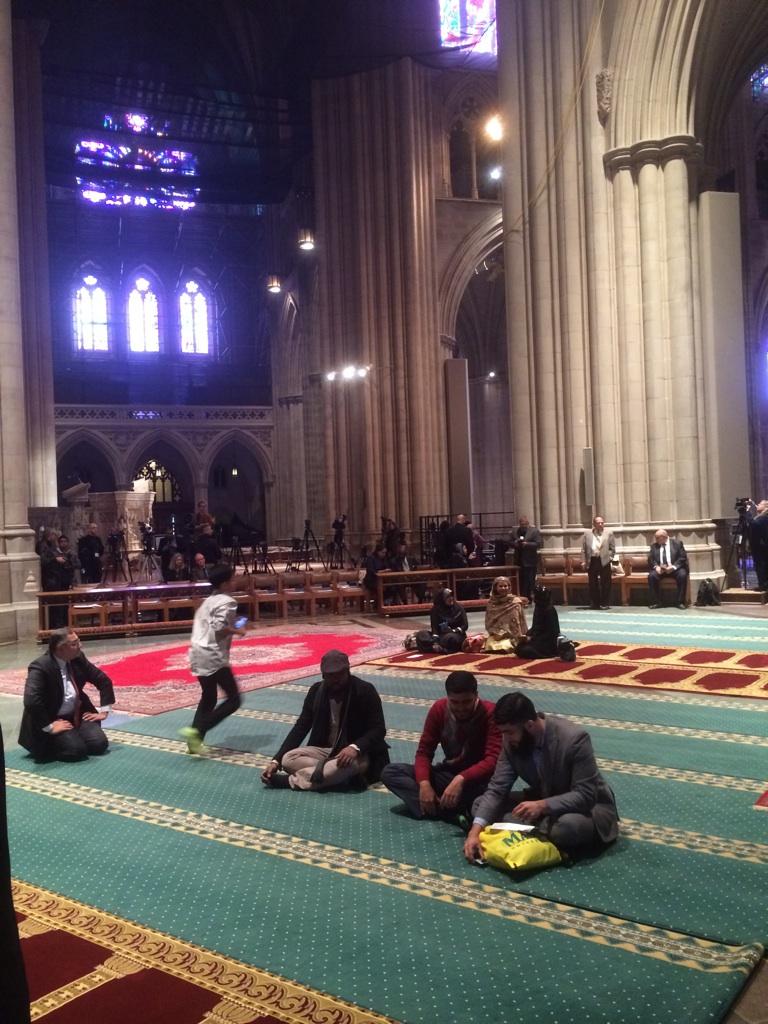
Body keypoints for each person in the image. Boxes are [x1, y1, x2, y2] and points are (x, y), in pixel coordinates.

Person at [463, 691, 619, 861]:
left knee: (566, 827)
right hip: (541, 800)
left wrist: (543, 805)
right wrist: (474, 832)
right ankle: (539, 833)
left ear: (529, 725)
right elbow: (497, 790)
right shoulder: (511, 741)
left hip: (586, 808)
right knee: (479, 805)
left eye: (509, 732)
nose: (505, 738)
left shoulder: (574, 739)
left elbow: (585, 795)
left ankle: (527, 829)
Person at [261, 649, 388, 791]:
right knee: (288, 759)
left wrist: (355, 748)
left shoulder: (364, 690)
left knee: (342, 766)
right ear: (323, 675)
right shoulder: (316, 691)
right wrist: (275, 761)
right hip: (327, 751)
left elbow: (378, 729)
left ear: (348, 671)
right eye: (330, 676)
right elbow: (301, 727)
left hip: (361, 754)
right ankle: (340, 777)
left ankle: (291, 781)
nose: (336, 680)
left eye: (339, 674)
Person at [380, 671, 501, 819]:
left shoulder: (490, 713)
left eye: (466, 702)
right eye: (455, 702)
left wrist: (461, 778)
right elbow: (424, 752)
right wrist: (424, 785)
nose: (461, 708)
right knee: (391, 772)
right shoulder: (439, 709)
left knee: (486, 799)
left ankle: (438, 809)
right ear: (448, 697)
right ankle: (451, 811)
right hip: (449, 774)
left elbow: (493, 760)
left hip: (478, 782)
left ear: (476, 695)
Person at [180, 563, 247, 755]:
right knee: (234, 700)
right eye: (232, 579)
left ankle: (194, 743)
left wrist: (233, 625)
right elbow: (219, 627)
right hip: (213, 656)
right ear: (225, 583)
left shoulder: (207, 601)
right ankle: (197, 730)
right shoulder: (228, 601)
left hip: (197, 653)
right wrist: (238, 630)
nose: (235, 582)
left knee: (208, 698)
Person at [19, 628, 114, 762]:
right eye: (74, 644)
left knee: (99, 745)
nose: (80, 646)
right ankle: (46, 744)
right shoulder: (40, 666)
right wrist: (50, 727)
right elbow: (31, 700)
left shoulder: (78, 658)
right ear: (61, 648)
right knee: (75, 751)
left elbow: (103, 681)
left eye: (78, 641)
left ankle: (72, 737)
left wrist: (104, 711)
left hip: (77, 714)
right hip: (52, 719)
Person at [482, 576, 527, 652]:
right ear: (495, 587)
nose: (503, 588)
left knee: (507, 646)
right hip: (497, 635)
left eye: (505, 586)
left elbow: (520, 623)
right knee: (492, 646)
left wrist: (508, 633)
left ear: (509, 587)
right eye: (500, 586)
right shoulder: (491, 603)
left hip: (513, 636)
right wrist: (498, 633)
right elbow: (489, 622)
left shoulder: (515, 602)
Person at [515, 585, 561, 659]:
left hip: (547, 642)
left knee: (526, 650)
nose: (532, 596)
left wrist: (533, 638)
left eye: (533, 594)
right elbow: (536, 626)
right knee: (519, 647)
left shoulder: (549, 610)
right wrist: (527, 635)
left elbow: (552, 632)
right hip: (538, 639)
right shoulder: (538, 607)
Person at [580, 514, 616, 610]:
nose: (600, 524)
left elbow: (612, 548)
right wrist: (583, 561)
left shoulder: (609, 533)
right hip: (592, 560)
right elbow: (583, 549)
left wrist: (610, 558)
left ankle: (605, 603)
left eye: (602, 523)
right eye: (598, 523)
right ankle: (595, 603)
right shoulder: (587, 534)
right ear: (594, 524)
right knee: (593, 583)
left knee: (606, 583)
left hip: (604, 560)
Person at [648, 528, 689, 608]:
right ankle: (656, 602)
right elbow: (650, 559)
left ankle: (680, 602)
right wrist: (656, 567)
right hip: (661, 570)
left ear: (664, 537)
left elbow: (682, 557)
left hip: (674, 569)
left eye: (657, 538)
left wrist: (673, 567)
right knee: (652, 576)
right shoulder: (654, 546)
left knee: (682, 575)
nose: (656, 540)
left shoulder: (677, 544)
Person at [427, 588, 468, 653]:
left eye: (452, 596)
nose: (451, 598)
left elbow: (465, 625)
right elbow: (434, 628)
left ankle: (442, 649)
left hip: (456, 634)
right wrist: (435, 641)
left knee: (451, 638)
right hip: (440, 635)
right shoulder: (435, 610)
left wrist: (453, 630)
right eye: (448, 597)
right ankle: (435, 647)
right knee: (421, 635)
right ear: (442, 599)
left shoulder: (458, 608)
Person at [513, 516, 542, 600]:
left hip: (530, 560)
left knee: (530, 581)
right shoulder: (516, 531)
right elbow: (510, 542)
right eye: (521, 524)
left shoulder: (534, 531)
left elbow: (538, 544)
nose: (523, 526)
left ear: (528, 523)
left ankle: (530, 598)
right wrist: (515, 543)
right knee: (521, 580)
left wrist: (527, 544)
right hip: (519, 560)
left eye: (525, 524)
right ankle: (522, 597)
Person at [747, 499, 768, 592]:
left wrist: (747, 513)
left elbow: (754, 524)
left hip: (761, 546)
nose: (758, 504)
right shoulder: (762, 516)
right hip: (762, 545)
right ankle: (763, 584)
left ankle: (763, 585)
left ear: (766, 507)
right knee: (761, 565)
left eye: (760, 504)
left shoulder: (764, 517)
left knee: (761, 565)